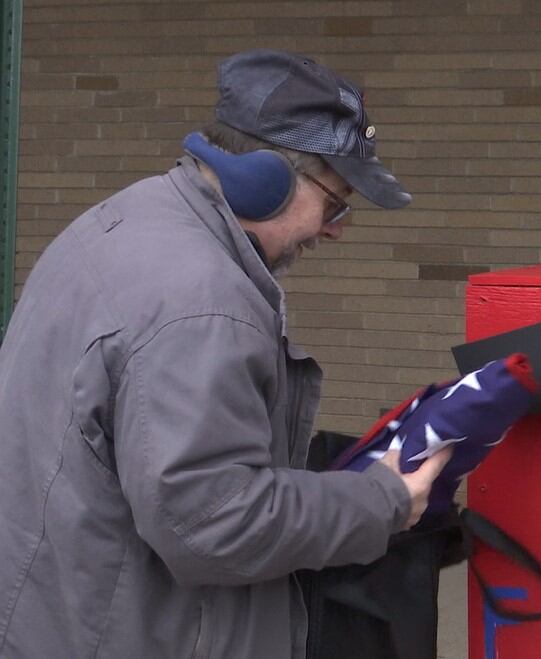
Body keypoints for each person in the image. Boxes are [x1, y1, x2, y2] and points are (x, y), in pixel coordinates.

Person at [0, 49, 453, 658]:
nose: (337, 228)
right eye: (335, 201)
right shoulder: (203, 304)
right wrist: (382, 502)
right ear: (264, 179)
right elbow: (211, 522)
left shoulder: (128, 219)